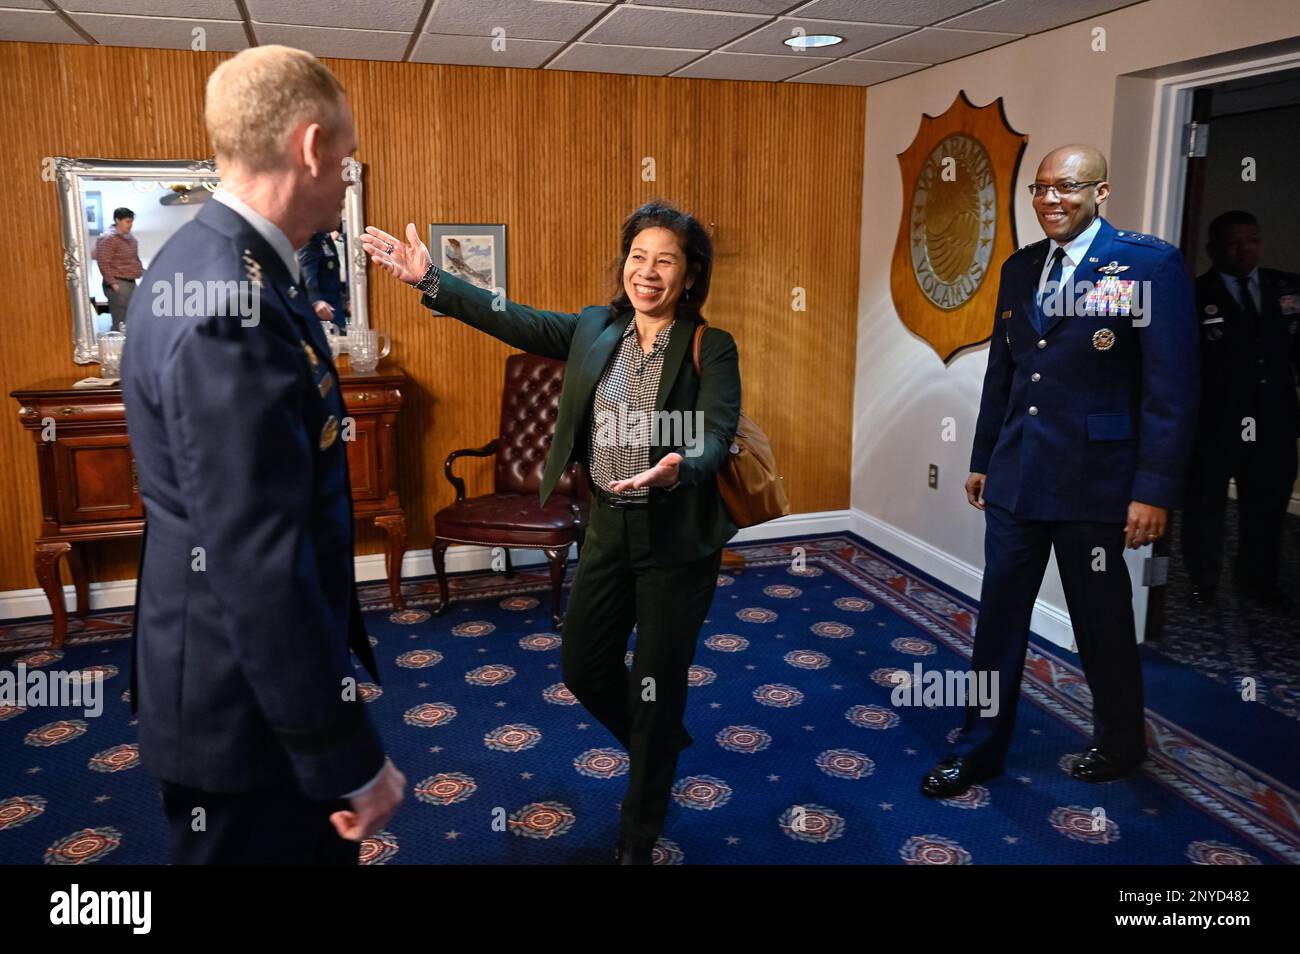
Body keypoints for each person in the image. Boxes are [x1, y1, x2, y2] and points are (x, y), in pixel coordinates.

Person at [362, 202, 741, 864]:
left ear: (690, 275)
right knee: (584, 666)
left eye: (665, 261)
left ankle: (638, 833)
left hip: (676, 540)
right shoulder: (595, 327)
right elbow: (511, 317)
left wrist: (683, 464)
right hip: (606, 528)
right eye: (638, 256)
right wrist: (430, 280)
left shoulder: (710, 345)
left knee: (657, 684)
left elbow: (715, 430)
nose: (647, 272)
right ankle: (658, 742)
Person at [121, 45, 404, 865]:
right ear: (311, 147)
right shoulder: (229, 302)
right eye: (346, 157)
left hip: (241, 682)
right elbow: (258, 558)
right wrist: (343, 753)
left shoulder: (226, 265)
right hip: (244, 708)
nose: (347, 177)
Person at [921, 144, 1199, 798]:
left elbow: (1172, 390)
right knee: (999, 620)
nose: (1051, 199)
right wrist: (984, 457)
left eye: (1067, 187)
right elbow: (1006, 374)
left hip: (1095, 484)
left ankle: (1121, 741)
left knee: (1100, 620)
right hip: (1018, 477)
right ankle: (979, 748)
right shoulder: (1021, 267)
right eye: (1041, 188)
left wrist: (1153, 490)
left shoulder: (1147, 265)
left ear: (1101, 192)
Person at [1181, 210, 1300, 611]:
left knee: (1267, 506)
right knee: (1205, 508)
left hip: (1274, 421)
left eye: (1253, 238)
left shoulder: (1286, 288)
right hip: (1214, 423)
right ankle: (1203, 584)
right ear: (1213, 248)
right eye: (1234, 241)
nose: (1245, 248)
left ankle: (1258, 580)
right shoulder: (1195, 294)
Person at [92, 207, 143, 331]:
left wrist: (142, 271)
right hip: (118, 282)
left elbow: (133, 259)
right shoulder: (109, 238)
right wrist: (113, 284)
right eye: (127, 221)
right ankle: (117, 343)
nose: (130, 225)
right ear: (117, 220)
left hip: (130, 282)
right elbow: (103, 261)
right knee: (121, 320)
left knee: (132, 317)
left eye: (131, 221)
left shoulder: (129, 238)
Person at [299, 227, 347, 333]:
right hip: (323, 310)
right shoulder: (310, 240)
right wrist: (316, 301)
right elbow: (307, 276)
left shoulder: (324, 237)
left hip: (336, 305)